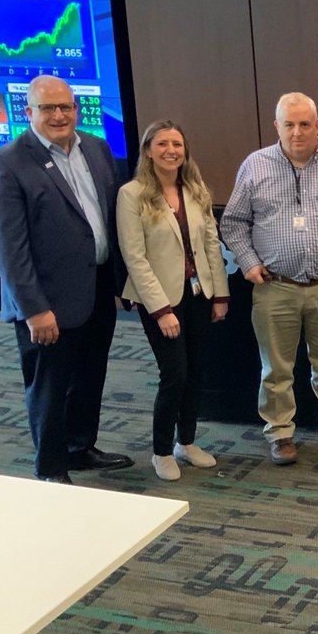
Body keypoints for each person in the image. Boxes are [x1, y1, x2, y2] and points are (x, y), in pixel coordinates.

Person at [221, 92, 318, 466]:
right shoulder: (255, 166)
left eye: (305, 124)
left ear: (317, 125)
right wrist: (248, 262)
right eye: (289, 124)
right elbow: (234, 223)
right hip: (276, 287)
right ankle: (280, 433)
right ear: (277, 126)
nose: (297, 132)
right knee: (276, 369)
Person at [0, 74, 132, 482]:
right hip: (47, 300)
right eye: (48, 108)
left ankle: (79, 447)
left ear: (76, 108)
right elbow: (9, 248)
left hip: (97, 288)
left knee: (90, 376)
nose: (59, 115)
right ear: (28, 111)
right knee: (50, 388)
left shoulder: (96, 147)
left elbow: (109, 218)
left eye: (66, 107)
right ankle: (52, 468)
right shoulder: (8, 162)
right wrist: (34, 310)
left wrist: (122, 281)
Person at [118, 121, 230, 481]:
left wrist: (220, 294)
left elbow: (211, 245)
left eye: (177, 144)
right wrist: (161, 311)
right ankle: (162, 451)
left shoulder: (195, 189)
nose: (171, 151)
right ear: (148, 151)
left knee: (195, 371)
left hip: (198, 295)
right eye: (163, 144)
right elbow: (135, 258)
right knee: (174, 374)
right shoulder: (132, 194)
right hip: (159, 300)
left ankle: (187, 442)